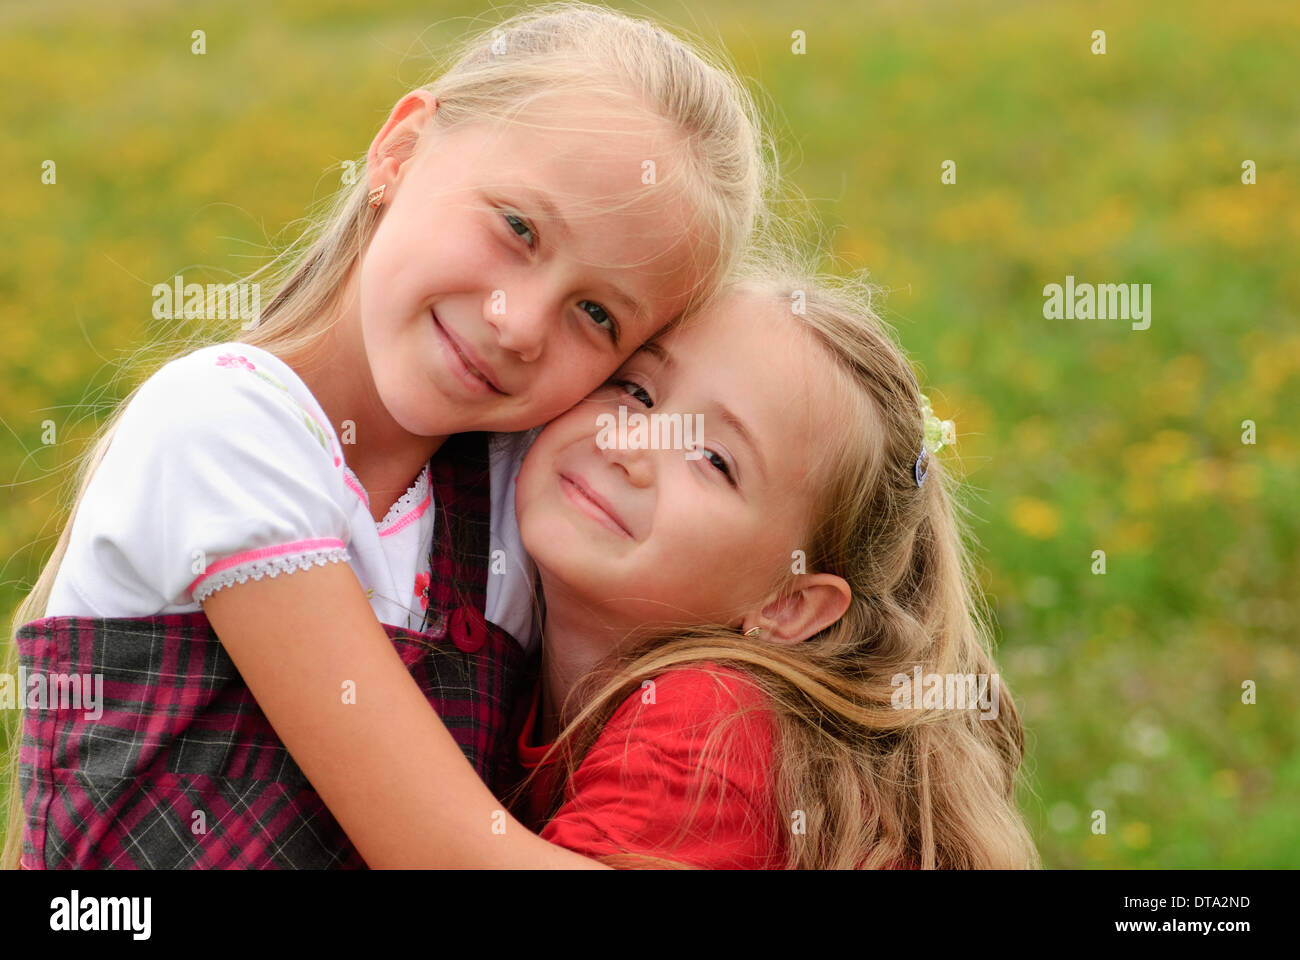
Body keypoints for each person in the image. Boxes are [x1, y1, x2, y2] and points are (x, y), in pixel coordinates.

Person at [4, 2, 770, 869]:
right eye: (517, 228)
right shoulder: (224, 428)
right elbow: (448, 855)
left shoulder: (522, 504)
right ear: (400, 152)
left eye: (596, 315)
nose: (518, 325)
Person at [171, 249, 1039, 869]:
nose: (630, 443)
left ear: (788, 607)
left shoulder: (713, 723)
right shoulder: (537, 672)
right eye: (637, 389)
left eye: (712, 459)